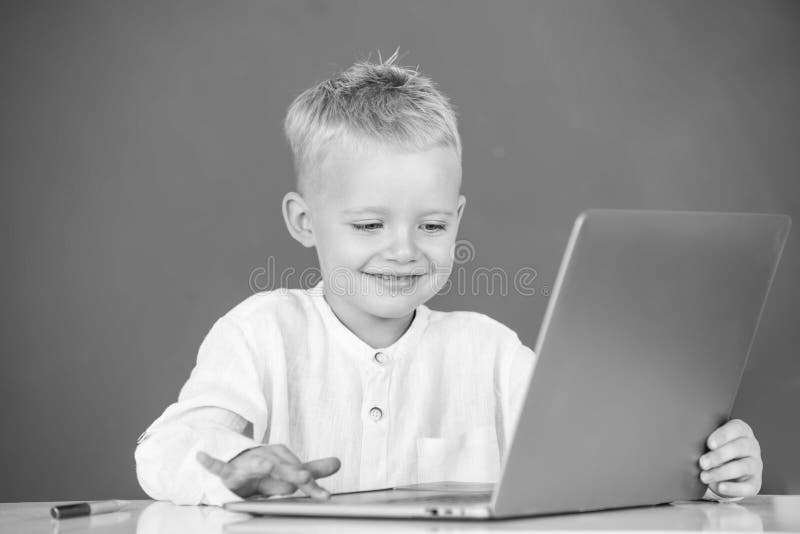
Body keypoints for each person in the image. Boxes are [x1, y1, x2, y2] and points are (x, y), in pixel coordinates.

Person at [134, 52, 763, 506]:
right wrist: (238, 463)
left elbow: (600, 458)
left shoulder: (486, 350)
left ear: (457, 220)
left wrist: (705, 468)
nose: (403, 251)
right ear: (304, 221)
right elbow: (168, 448)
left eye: (431, 227)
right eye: (370, 224)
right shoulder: (261, 333)